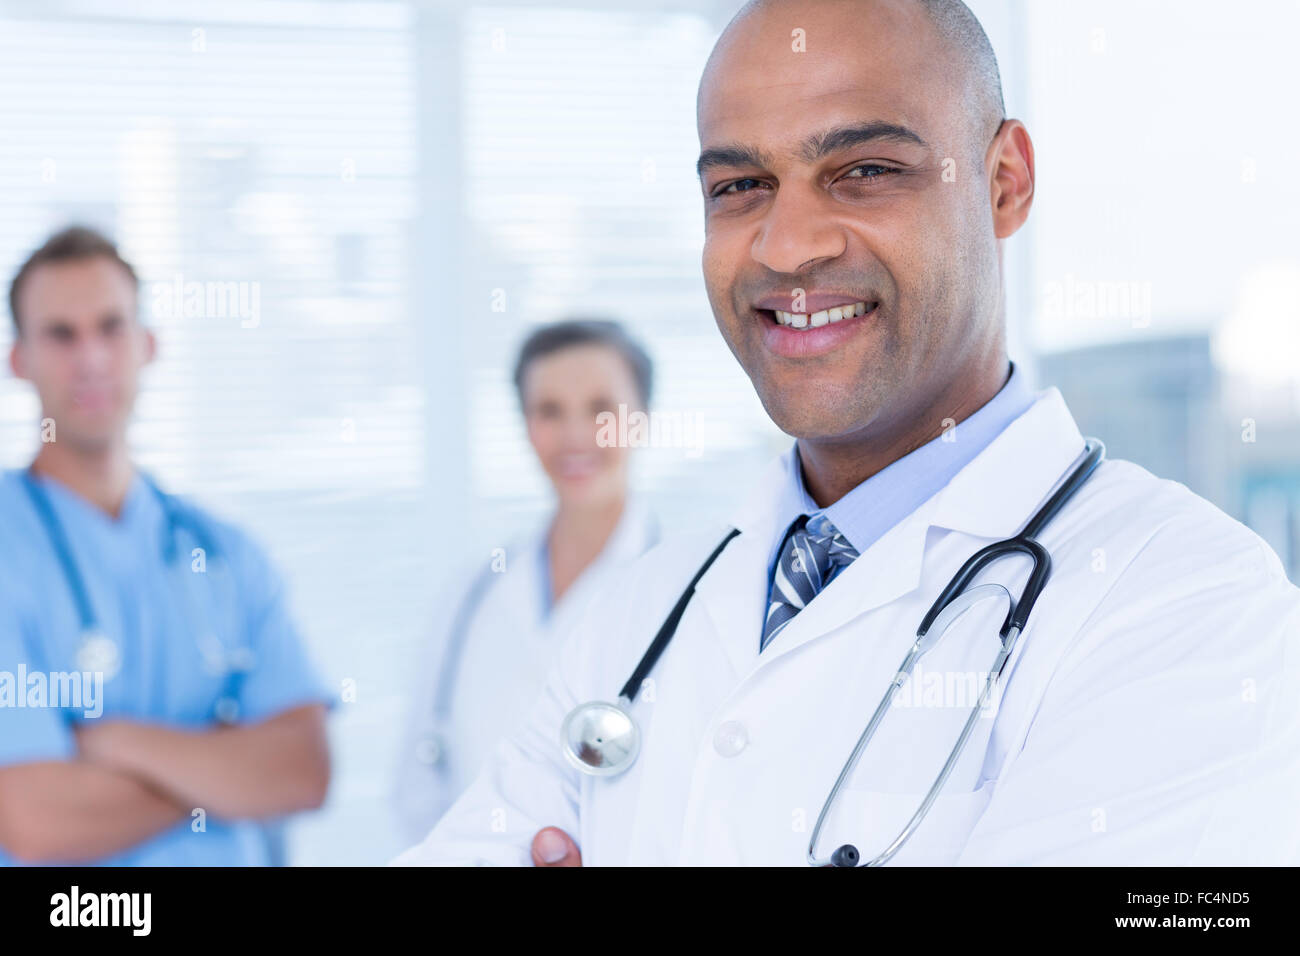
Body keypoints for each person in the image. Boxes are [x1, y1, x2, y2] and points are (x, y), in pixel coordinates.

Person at [392, 0, 1300, 867]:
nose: (788, 247)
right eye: (740, 186)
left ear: (1004, 183)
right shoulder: (640, 616)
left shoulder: (1189, 604)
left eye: (864, 170)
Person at [0, 226, 333, 865]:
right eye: (61, 334)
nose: (91, 358)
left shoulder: (227, 552)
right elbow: (36, 822)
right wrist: (226, 764)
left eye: (111, 327)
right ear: (20, 360)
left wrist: (111, 742)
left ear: (149, 345)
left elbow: (302, 772)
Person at [392, 319, 660, 843]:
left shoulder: (688, 590)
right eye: (549, 411)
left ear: (641, 418)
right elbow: (418, 784)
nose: (576, 435)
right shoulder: (473, 592)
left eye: (602, 409)